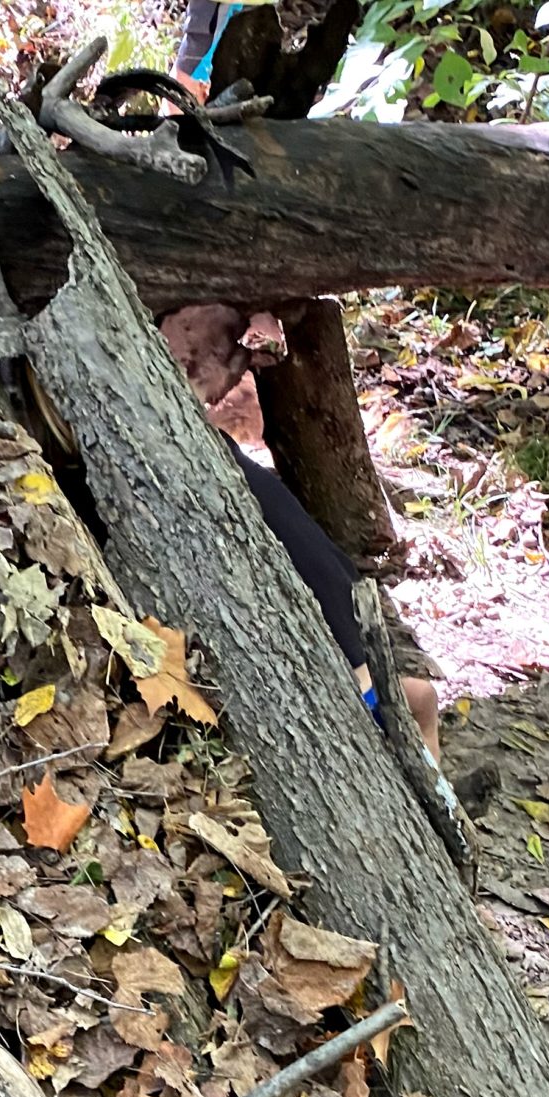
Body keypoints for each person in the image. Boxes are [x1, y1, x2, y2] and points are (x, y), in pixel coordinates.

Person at [158, 304, 444, 763]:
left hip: (335, 611)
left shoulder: (214, 458)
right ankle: (395, 724)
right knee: (409, 693)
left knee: (396, 688)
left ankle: (389, 716)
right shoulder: (215, 458)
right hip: (340, 626)